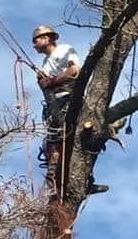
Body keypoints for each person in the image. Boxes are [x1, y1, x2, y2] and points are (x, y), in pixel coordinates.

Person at [32, 25, 108, 198]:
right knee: (51, 143)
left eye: (36, 40)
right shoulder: (45, 63)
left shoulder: (65, 50)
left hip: (69, 100)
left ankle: (85, 180)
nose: (34, 44)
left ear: (48, 38)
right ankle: (55, 179)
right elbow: (48, 85)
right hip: (55, 105)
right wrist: (43, 80)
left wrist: (52, 81)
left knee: (75, 139)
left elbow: (74, 71)